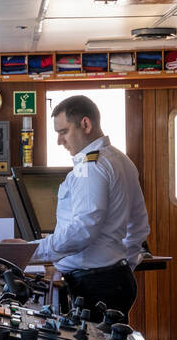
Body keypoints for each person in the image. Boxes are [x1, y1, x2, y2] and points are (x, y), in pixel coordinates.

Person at [16, 95, 150, 316]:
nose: (60, 141)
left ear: (85, 124)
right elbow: (139, 226)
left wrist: (29, 252)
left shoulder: (92, 167)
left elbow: (82, 231)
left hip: (94, 285)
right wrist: (123, 265)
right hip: (114, 279)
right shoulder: (121, 160)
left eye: (63, 132)